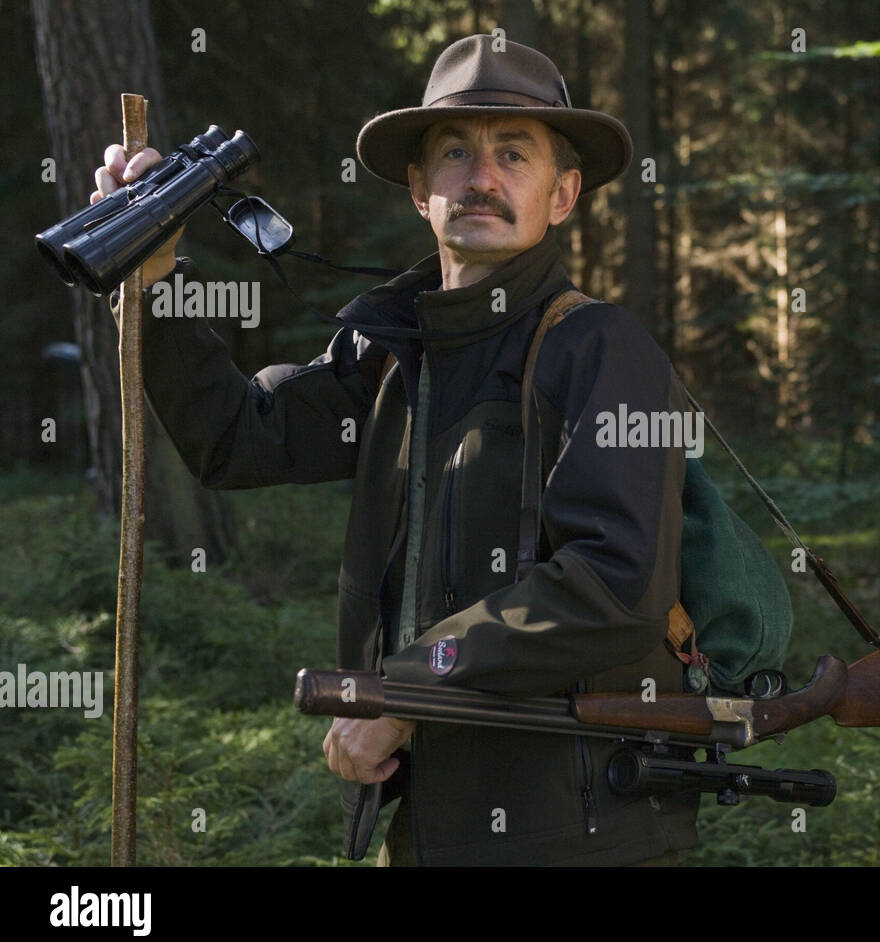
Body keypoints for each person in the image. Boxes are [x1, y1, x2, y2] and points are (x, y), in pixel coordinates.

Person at [98, 34, 699, 865]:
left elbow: (614, 584)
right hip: (427, 827)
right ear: (420, 190)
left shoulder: (600, 350)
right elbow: (236, 438)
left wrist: (409, 690)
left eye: (512, 153)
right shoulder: (393, 354)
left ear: (562, 196)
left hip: (576, 833)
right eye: (455, 152)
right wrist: (156, 275)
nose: (481, 177)